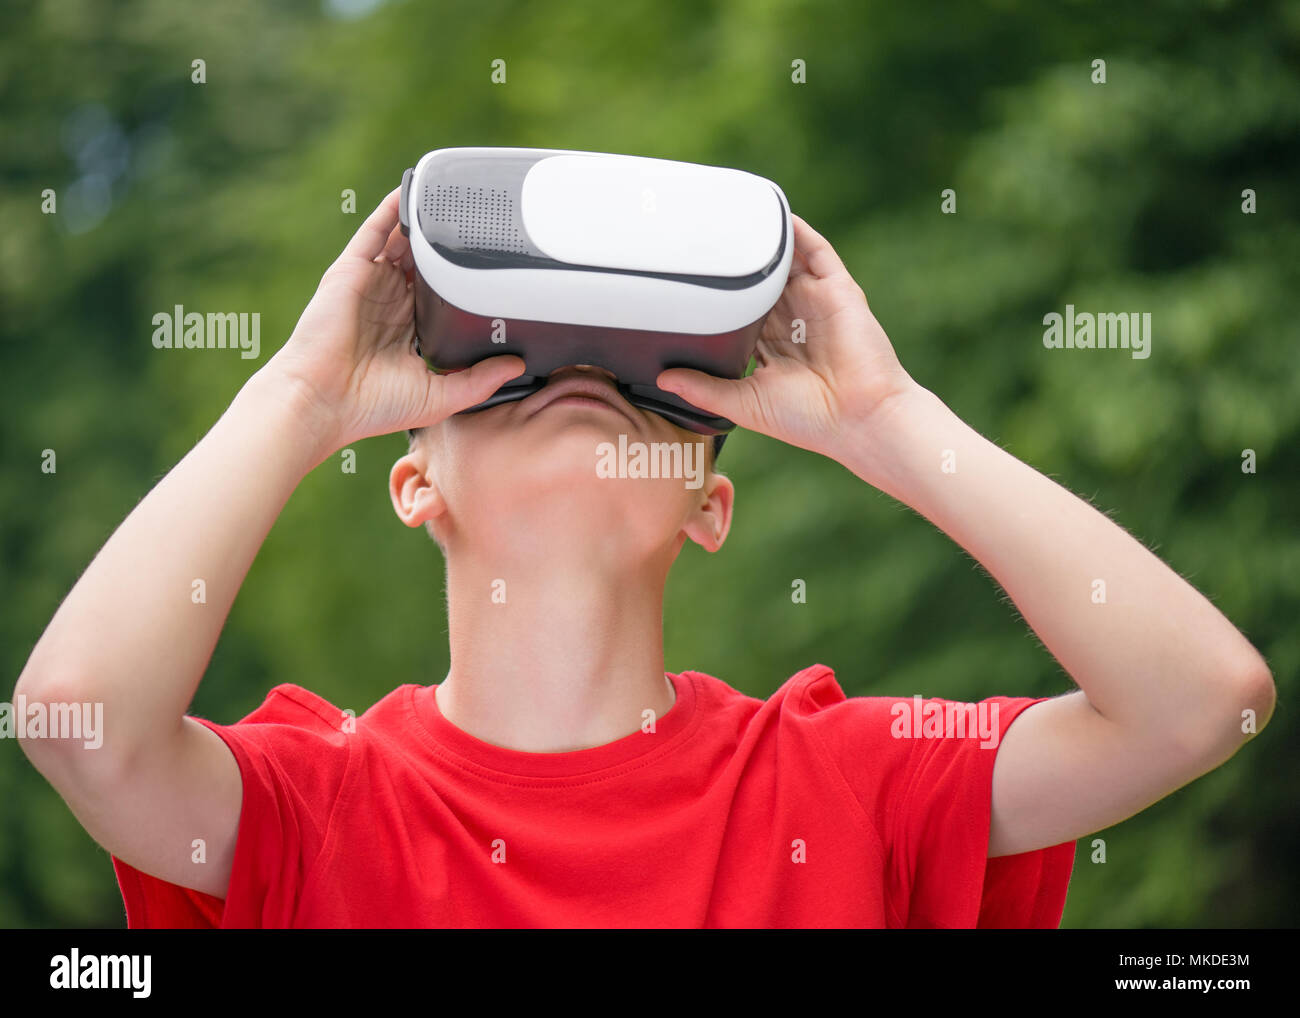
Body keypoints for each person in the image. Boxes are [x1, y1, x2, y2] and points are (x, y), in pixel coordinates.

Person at [15, 187, 1275, 928]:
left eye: (643, 383)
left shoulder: (845, 779)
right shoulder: (318, 806)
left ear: (707, 508)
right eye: (504, 366)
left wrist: (889, 422)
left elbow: (1200, 703)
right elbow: (75, 723)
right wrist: (299, 394)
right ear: (412, 482)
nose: (576, 381)